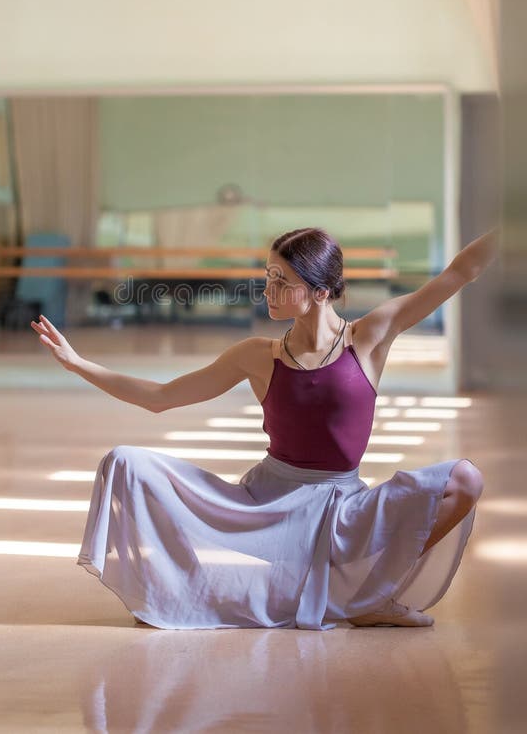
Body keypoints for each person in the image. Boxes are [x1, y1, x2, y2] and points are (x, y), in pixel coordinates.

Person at [31, 226, 498, 630]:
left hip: (342, 509)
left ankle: (371, 599)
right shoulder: (256, 354)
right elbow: (161, 398)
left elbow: (458, 272)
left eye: (281, 281)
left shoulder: (369, 337)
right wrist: (79, 365)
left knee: (464, 480)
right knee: (126, 462)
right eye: (268, 278)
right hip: (266, 509)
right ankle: (175, 589)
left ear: (320, 291)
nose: (268, 291)